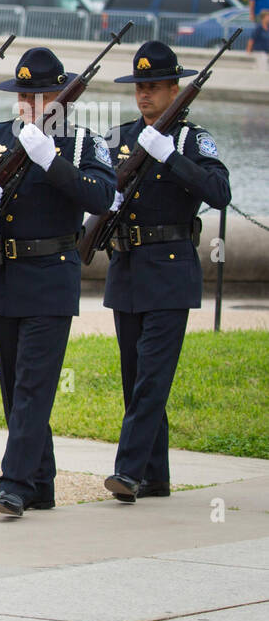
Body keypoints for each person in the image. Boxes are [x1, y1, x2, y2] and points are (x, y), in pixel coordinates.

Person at [0, 47, 115, 518]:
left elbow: (101, 196)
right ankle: (40, 483)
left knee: (34, 385)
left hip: (50, 276)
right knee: (15, 387)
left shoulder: (82, 143)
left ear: (62, 98)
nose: (29, 105)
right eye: (23, 96)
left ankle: (13, 485)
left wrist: (51, 160)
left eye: (40, 95)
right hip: (1, 274)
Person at [102, 42, 230, 503]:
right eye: (140, 87)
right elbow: (98, 194)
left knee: (153, 379)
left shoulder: (194, 140)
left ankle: (128, 472)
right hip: (127, 270)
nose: (145, 96)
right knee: (134, 377)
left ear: (175, 90)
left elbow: (219, 191)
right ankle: (156, 475)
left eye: (154, 87)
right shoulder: (117, 139)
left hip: (171, 271)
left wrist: (170, 156)